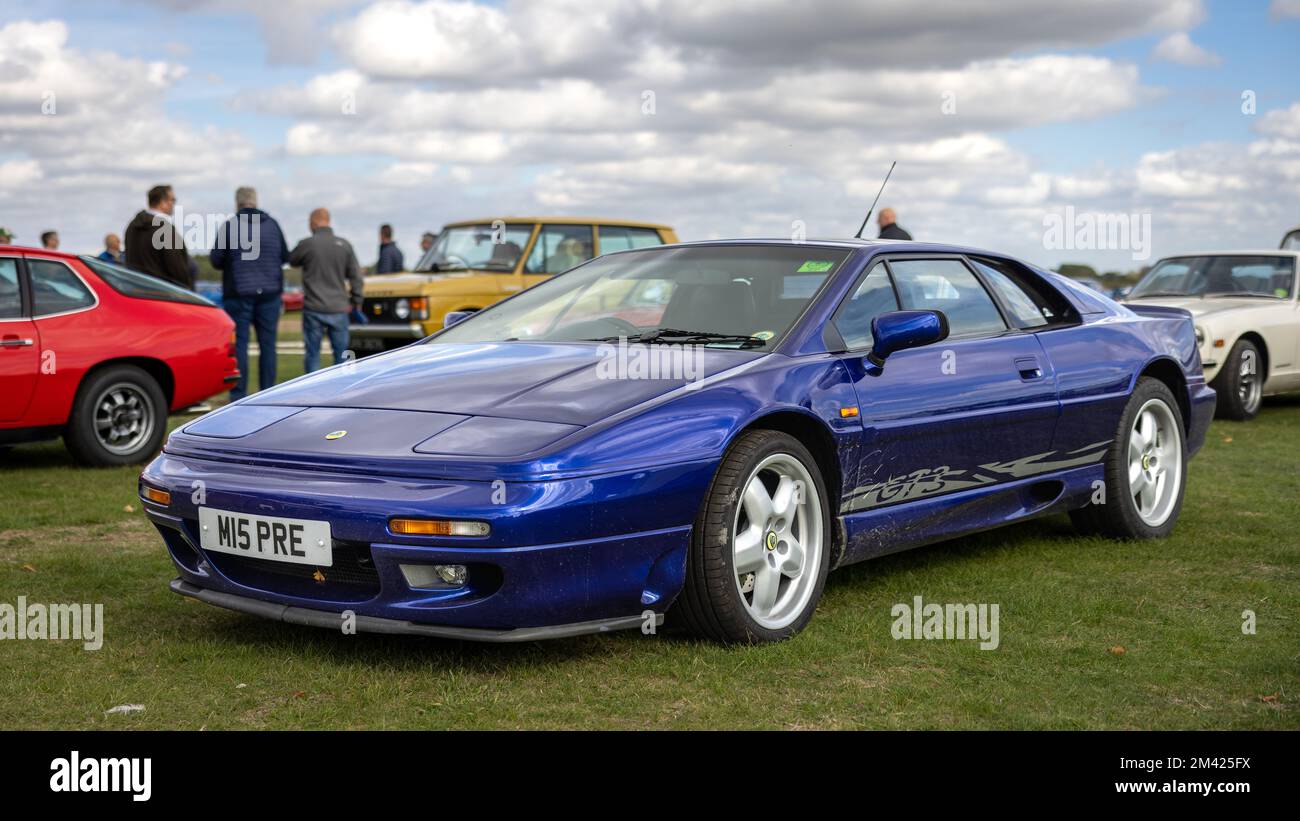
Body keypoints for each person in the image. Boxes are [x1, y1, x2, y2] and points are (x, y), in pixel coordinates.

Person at [210, 187, 291, 400]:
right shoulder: (273, 225)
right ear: (255, 202)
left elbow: (216, 260)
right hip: (270, 292)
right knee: (268, 345)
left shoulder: (230, 226)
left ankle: (239, 396)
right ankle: (268, 394)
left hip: (239, 292)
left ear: (237, 203)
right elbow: (284, 256)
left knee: (240, 346)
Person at [290, 208, 363, 373]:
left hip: (314, 307)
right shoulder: (344, 245)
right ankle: (341, 390)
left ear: (314, 222)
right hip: (338, 307)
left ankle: (313, 392)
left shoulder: (307, 244)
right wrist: (357, 301)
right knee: (341, 355)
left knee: (313, 354)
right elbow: (356, 277)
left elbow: (292, 260)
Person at [124, 184, 194, 289]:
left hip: (134, 292)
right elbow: (177, 268)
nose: (174, 204)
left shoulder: (132, 227)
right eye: (173, 200)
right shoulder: (165, 229)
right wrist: (188, 291)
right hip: (162, 294)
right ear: (163, 202)